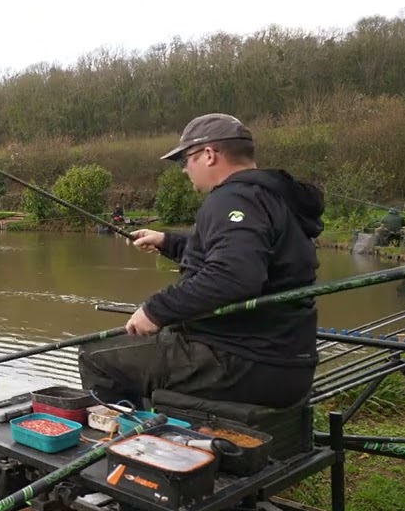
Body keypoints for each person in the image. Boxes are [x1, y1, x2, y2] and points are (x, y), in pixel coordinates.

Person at [78, 113, 325, 409]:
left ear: (209, 154)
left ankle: (130, 447)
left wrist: (156, 310)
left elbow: (233, 275)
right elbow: (252, 257)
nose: (184, 170)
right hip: (288, 361)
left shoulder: (232, 199)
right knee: (145, 349)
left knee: (96, 356)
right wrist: (169, 242)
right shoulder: (274, 196)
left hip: (241, 363)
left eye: (186, 159)